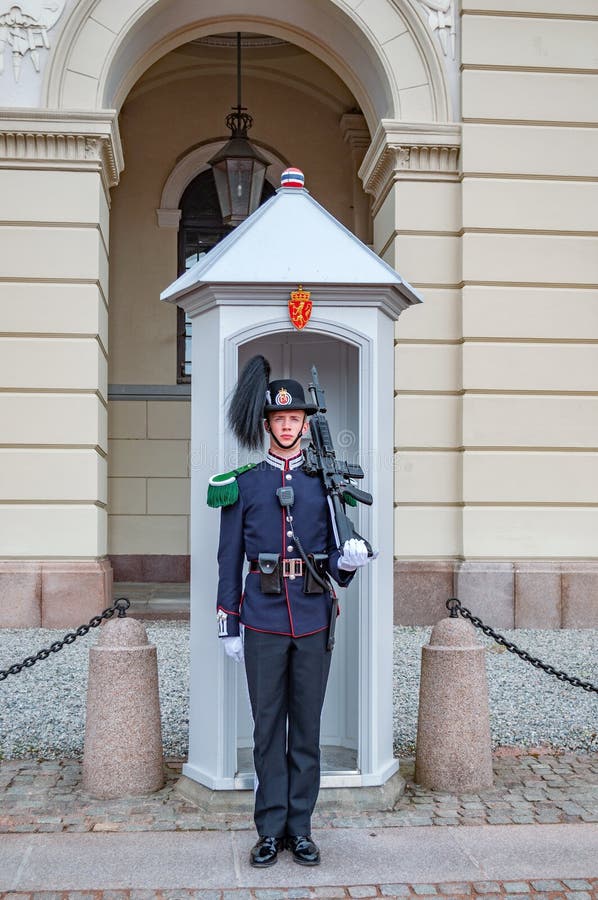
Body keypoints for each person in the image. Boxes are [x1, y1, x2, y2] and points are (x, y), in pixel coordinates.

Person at [209, 355, 371, 868]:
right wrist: (228, 622)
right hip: (261, 619)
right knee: (265, 731)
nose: (286, 425)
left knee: (305, 731)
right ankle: (268, 828)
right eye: (279, 419)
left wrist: (348, 566)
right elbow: (228, 557)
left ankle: (300, 828)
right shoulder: (246, 482)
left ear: (304, 424)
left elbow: (334, 561)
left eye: (294, 418)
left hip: (314, 616)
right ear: (267, 424)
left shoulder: (325, 486)